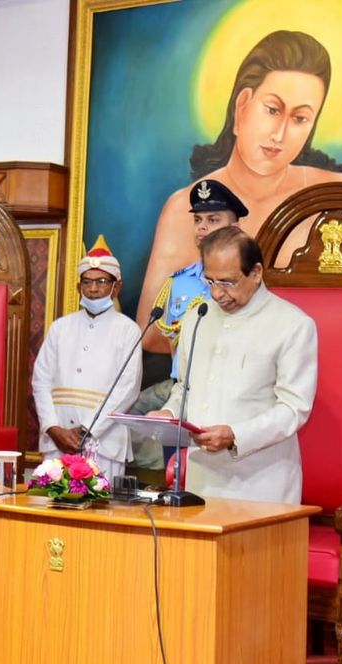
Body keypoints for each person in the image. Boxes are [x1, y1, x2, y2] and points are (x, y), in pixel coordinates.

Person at [136, 30, 342, 340]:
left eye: (300, 118)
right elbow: (152, 334)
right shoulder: (183, 206)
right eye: (273, 110)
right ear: (242, 106)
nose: (280, 133)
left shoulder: (335, 196)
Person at [149, 227, 317, 503]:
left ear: (256, 273)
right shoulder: (197, 318)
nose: (216, 293)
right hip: (202, 479)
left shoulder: (292, 325)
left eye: (227, 282)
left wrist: (236, 435)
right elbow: (185, 387)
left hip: (260, 483)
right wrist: (168, 412)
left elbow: (293, 409)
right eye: (210, 280)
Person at [129, 179, 246, 470]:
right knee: (177, 478)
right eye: (198, 220)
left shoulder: (248, 283)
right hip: (183, 394)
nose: (202, 227)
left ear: (236, 227)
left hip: (231, 396)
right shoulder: (180, 283)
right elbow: (172, 344)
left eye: (213, 219)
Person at [32, 235, 142, 481]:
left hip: (104, 443)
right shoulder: (60, 327)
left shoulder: (128, 330)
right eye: (87, 282)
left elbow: (128, 389)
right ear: (78, 286)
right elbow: (41, 382)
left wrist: (86, 430)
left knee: (99, 513)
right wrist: (53, 428)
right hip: (56, 442)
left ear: (117, 287)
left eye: (102, 282)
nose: (93, 289)